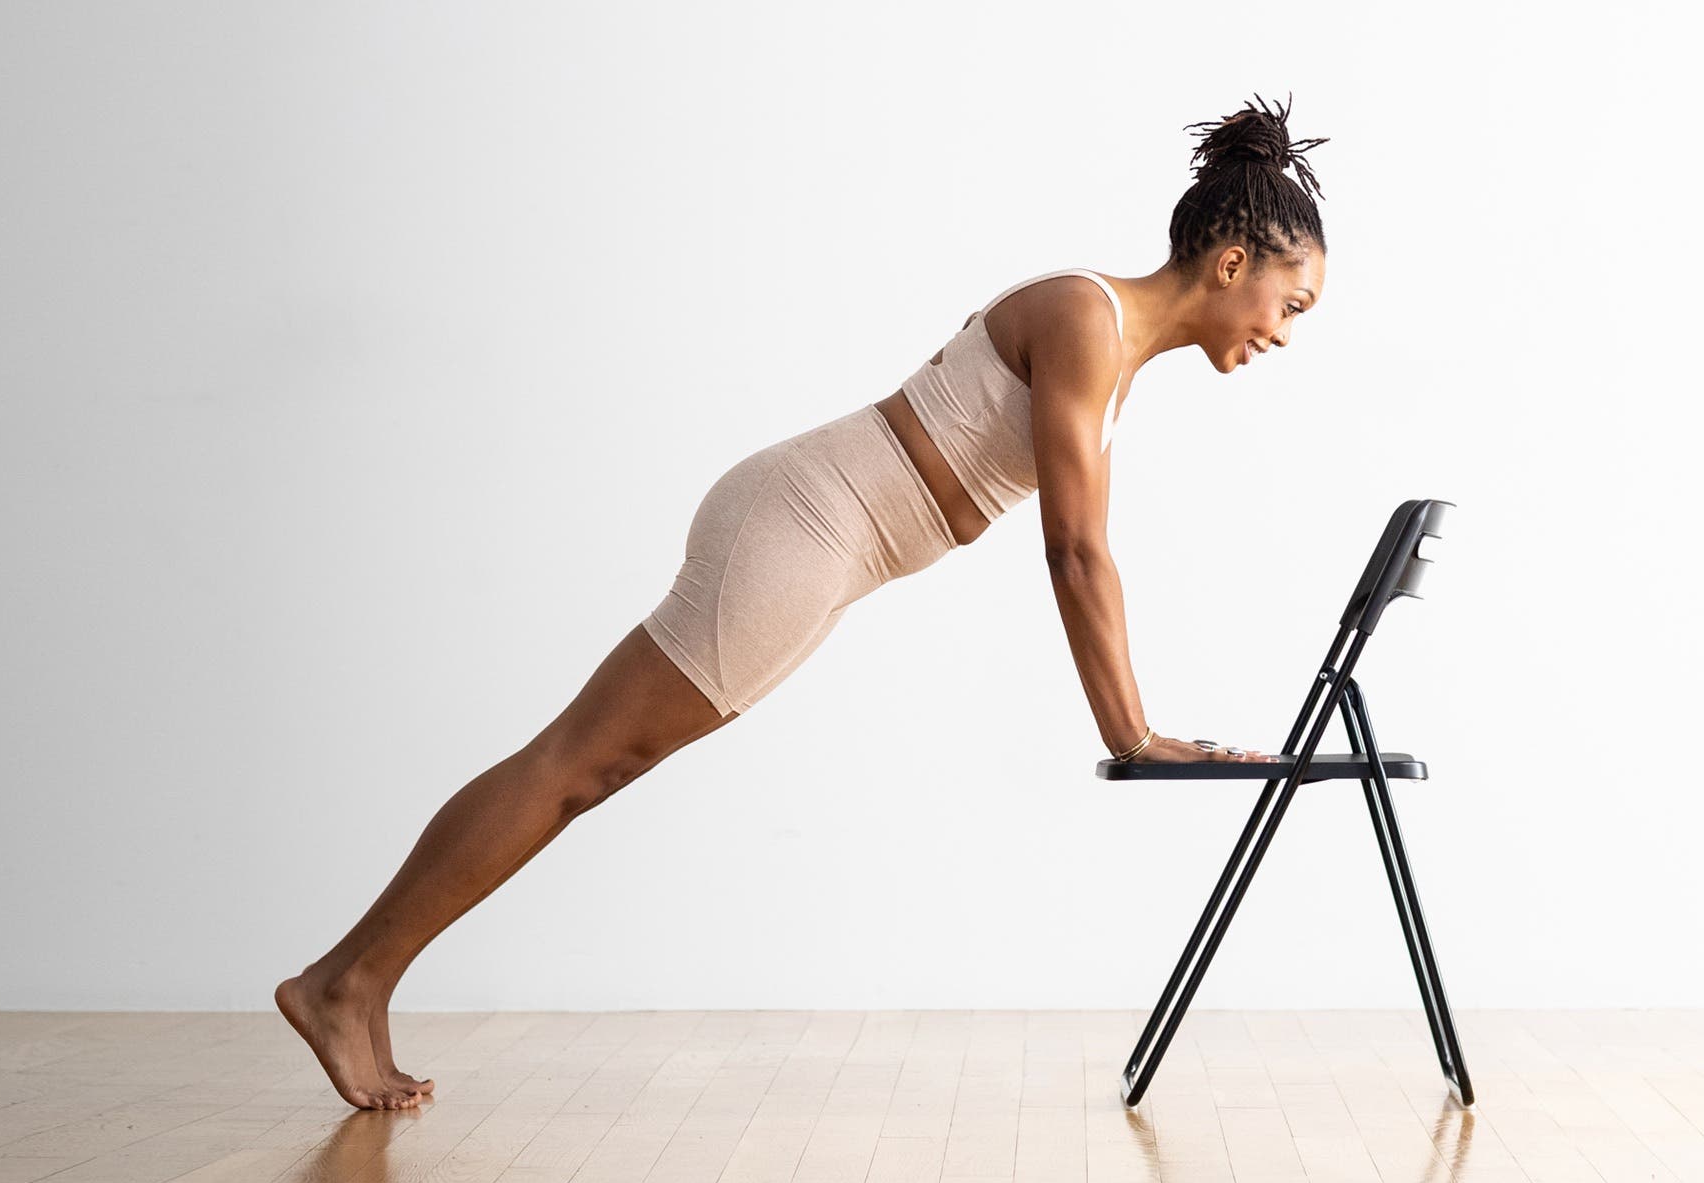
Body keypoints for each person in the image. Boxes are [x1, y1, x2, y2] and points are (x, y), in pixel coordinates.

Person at [277, 93, 1333, 1110]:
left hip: (826, 545)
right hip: (805, 529)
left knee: (585, 766)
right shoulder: (1087, 320)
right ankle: (345, 982)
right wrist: (1132, 734)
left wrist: (1138, 732)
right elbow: (1075, 551)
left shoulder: (1111, 346)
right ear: (1232, 260)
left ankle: (355, 980)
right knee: (578, 762)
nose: (1286, 332)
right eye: (1290, 302)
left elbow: (1074, 544)